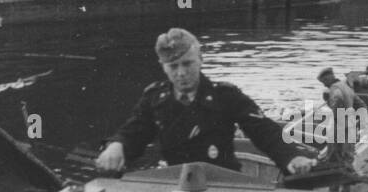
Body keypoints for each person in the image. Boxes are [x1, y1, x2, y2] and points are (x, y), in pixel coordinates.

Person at [97, 28, 316, 177]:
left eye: (188, 64)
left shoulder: (225, 96)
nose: (181, 73)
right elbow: (134, 132)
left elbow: (264, 131)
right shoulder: (154, 99)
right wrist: (117, 146)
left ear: (200, 60)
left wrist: (291, 158)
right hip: (175, 184)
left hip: (225, 183)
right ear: (163, 67)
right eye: (173, 67)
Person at [318, 66, 359, 171]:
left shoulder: (334, 88)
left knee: (334, 154)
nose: (325, 85)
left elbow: (337, 100)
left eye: (324, 83)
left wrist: (331, 105)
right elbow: (360, 104)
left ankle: (335, 183)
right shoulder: (346, 86)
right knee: (348, 154)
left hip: (340, 123)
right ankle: (347, 183)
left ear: (328, 79)